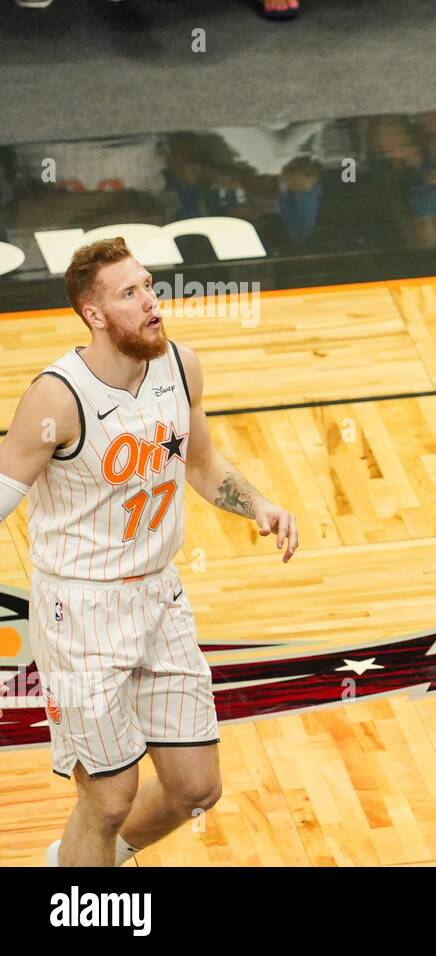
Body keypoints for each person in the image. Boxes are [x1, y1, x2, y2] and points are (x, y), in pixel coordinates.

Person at [0, 237, 299, 866]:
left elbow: (203, 462)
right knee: (108, 799)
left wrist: (260, 506)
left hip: (159, 597)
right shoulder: (57, 398)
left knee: (195, 788)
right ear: (95, 314)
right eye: (129, 294)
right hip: (79, 613)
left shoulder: (181, 366)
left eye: (150, 287)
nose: (152, 303)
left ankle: (82, 860)